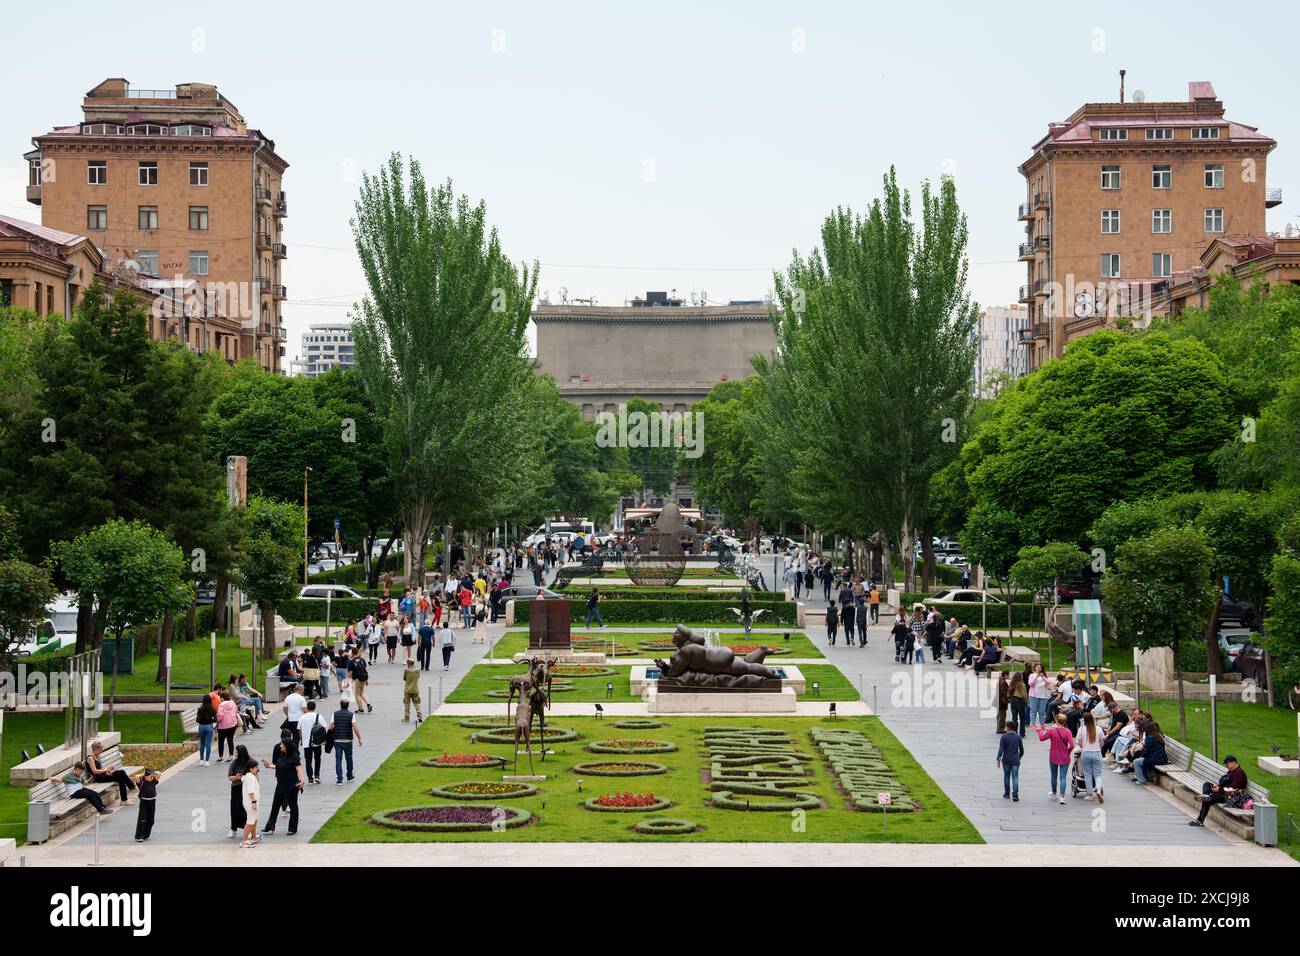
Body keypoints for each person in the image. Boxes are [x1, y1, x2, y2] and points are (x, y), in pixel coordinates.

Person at [261, 733, 304, 835]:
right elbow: (279, 766)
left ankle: (292, 828)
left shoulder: (294, 756)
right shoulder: (282, 755)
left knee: (293, 806)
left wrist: (302, 780)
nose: (280, 746)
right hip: (281, 784)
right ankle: (270, 826)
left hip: (292, 785)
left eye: (281, 744)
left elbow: (298, 769)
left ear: (286, 746)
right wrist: (269, 766)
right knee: (275, 805)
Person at [1190, 754, 1248, 826]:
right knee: (1207, 784)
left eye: (1227, 763)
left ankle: (1200, 820)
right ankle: (1206, 795)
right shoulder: (1231, 771)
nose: (1226, 765)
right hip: (1223, 792)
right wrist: (1218, 786)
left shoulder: (1239, 772)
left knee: (1208, 800)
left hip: (1230, 797)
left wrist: (1219, 789)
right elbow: (1226, 783)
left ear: (1234, 762)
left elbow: (1233, 788)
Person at [1038, 714, 1075, 804]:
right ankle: (1062, 797)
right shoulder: (1068, 732)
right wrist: (1068, 752)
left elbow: (1042, 738)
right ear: (1065, 722)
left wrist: (1039, 731)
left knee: (1054, 776)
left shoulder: (1052, 731)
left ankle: (1054, 794)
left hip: (1053, 756)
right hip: (1064, 756)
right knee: (1063, 777)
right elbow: (1072, 745)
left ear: (1057, 721)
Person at [329, 699, 363, 785]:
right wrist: (359, 738)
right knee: (349, 758)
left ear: (340, 705)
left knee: (338, 760)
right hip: (348, 740)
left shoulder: (335, 714)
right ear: (348, 706)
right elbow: (355, 727)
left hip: (337, 740)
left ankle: (339, 779)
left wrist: (328, 738)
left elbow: (330, 727)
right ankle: (349, 776)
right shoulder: (351, 715)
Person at [1076, 712, 1105, 802]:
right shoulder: (1099, 729)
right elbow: (1102, 742)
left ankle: (1090, 794)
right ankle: (1098, 790)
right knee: (1098, 774)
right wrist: (1098, 748)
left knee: (1087, 774)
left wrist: (1084, 747)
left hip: (1086, 753)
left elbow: (1079, 742)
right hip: (1096, 752)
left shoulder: (1081, 729)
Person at [298, 700, 326, 785]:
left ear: (307, 707)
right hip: (317, 742)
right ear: (315, 707)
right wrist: (324, 740)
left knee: (308, 760)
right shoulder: (319, 716)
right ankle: (317, 776)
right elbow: (324, 728)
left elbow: (299, 730)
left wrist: (302, 740)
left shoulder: (302, 717)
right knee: (318, 758)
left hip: (306, 742)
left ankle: (310, 778)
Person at [1131, 720, 1167, 786]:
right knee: (1140, 760)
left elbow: (1146, 751)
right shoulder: (1158, 736)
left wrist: (1142, 756)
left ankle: (1141, 780)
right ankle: (1144, 776)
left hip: (1155, 760)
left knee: (1136, 762)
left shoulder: (1150, 738)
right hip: (1162, 759)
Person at [226, 745, 252, 838]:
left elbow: (255, 774)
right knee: (235, 808)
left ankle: (247, 828)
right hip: (236, 788)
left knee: (245, 809)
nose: (235, 754)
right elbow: (230, 777)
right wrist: (237, 777)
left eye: (237, 752)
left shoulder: (250, 762)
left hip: (246, 788)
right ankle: (233, 828)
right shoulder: (234, 763)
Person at [996, 720, 1023, 801]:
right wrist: (1019, 756)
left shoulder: (1004, 737)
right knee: (1015, 777)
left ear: (1007, 727)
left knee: (1006, 776)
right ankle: (1015, 794)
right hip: (1015, 759)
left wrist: (998, 758)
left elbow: (1001, 749)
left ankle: (1007, 793)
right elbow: (1021, 749)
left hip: (1006, 759)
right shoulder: (1018, 736)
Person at [134, 768, 159, 842]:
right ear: (145, 776)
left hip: (152, 802)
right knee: (143, 819)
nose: (152, 778)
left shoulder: (154, 781)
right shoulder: (141, 782)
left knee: (151, 820)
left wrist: (153, 773)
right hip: (144, 802)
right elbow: (136, 776)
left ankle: (146, 835)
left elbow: (159, 773)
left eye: (153, 777)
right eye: (150, 777)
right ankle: (139, 836)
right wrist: (143, 774)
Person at [239, 761, 261, 848]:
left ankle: (253, 837)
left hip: (249, 802)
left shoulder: (247, 776)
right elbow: (251, 792)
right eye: (256, 768)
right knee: (250, 821)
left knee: (253, 819)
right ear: (250, 769)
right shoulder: (250, 778)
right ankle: (244, 841)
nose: (257, 769)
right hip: (251, 802)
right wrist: (254, 802)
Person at [1027, 663, 1052, 730]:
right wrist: (1036, 676)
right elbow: (1030, 684)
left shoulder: (1043, 676)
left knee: (1042, 711)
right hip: (1033, 696)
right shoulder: (1032, 675)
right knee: (1033, 710)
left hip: (1043, 696)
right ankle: (1033, 724)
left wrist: (1043, 677)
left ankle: (1042, 725)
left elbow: (1048, 682)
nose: (1039, 668)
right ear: (1035, 668)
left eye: (1040, 667)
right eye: (1037, 667)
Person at [216, 690, 239, 760]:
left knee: (221, 741)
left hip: (223, 726)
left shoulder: (221, 705)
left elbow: (220, 716)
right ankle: (231, 756)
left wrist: (217, 722)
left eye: (220, 697)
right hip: (232, 724)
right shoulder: (233, 703)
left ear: (223, 698)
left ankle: (220, 757)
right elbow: (236, 712)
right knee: (230, 740)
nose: (220, 699)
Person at [348, 648, 372, 713]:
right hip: (364, 677)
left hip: (357, 678)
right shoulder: (362, 659)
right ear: (357, 652)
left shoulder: (351, 662)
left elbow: (350, 674)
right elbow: (364, 669)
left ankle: (361, 708)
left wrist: (349, 682)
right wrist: (366, 680)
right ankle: (368, 704)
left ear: (352, 653)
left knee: (357, 694)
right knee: (362, 693)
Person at [195, 694, 217, 766]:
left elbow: (197, 720)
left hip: (202, 727)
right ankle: (207, 761)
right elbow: (215, 720)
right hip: (209, 726)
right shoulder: (212, 709)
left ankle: (201, 760)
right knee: (208, 744)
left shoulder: (200, 709)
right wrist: (211, 719)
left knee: (202, 743)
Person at [1007, 671, 1029, 738]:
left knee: (1014, 717)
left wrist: (1010, 699)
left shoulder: (1012, 683)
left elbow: (1008, 693)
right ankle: (1022, 733)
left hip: (1013, 700)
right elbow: (1024, 694)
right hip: (1020, 700)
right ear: (1020, 677)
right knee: (1022, 718)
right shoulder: (1022, 684)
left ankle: (1014, 731)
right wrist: (1026, 702)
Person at [402, 658, 424, 722]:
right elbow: (418, 677)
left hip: (407, 690)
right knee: (417, 703)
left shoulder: (406, 670)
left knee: (407, 704)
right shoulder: (417, 671)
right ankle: (419, 716)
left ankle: (406, 717)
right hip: (415, 689)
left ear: (408, 663)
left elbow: (404, 678)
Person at [994, 672, 1010, 736]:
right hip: (1001, 702)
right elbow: (1004, 692)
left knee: (999, 715)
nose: (1008, 676)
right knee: (1002, 716)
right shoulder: (1003, 682)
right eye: (1008, 675)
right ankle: (1000, 729)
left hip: (998, 701)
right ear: (1005, 675)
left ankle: (999, 728)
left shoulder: (999, 680)